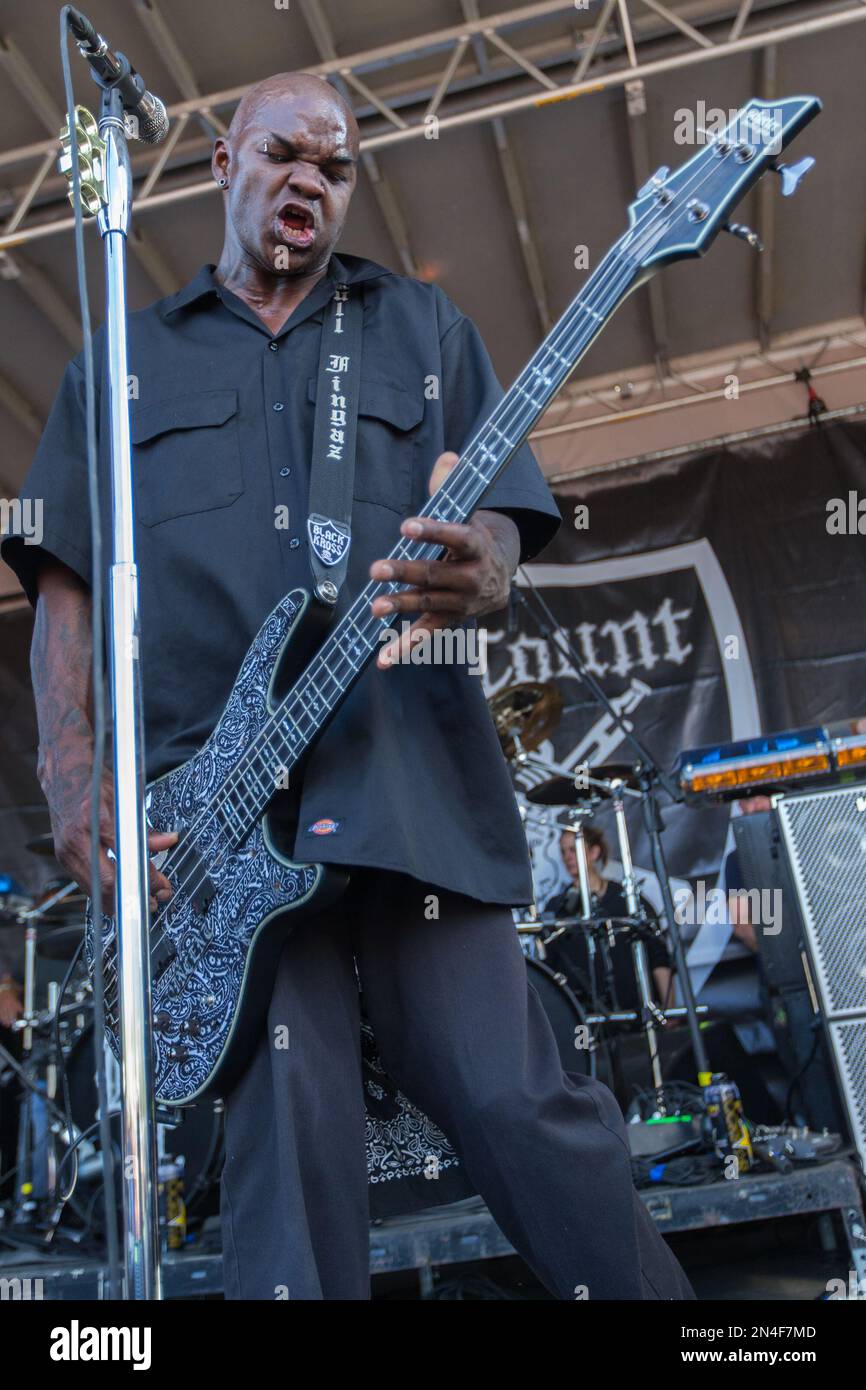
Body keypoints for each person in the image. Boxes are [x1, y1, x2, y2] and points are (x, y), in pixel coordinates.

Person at [1, 71, 692, 1302]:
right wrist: (70, 775)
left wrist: (492, 562)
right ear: (222, 162)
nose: (309, 181)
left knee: (519, 1099)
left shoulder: (418, 327)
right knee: (291, 1169)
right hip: (215, 832)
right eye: (285, 155)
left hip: (409, 785)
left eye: (335, 164)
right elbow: (65, 579)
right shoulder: (123, 362)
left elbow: (501, 519)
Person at [544, 826, 673, 1014]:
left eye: (573, 849)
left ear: (594, 852)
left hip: (636, 1011)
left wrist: (670, 1007)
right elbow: (551, 968)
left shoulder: (627, 899)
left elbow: (658, 954)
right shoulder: (556, 907)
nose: (567, 857)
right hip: (584, 1017)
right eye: (563, 851)